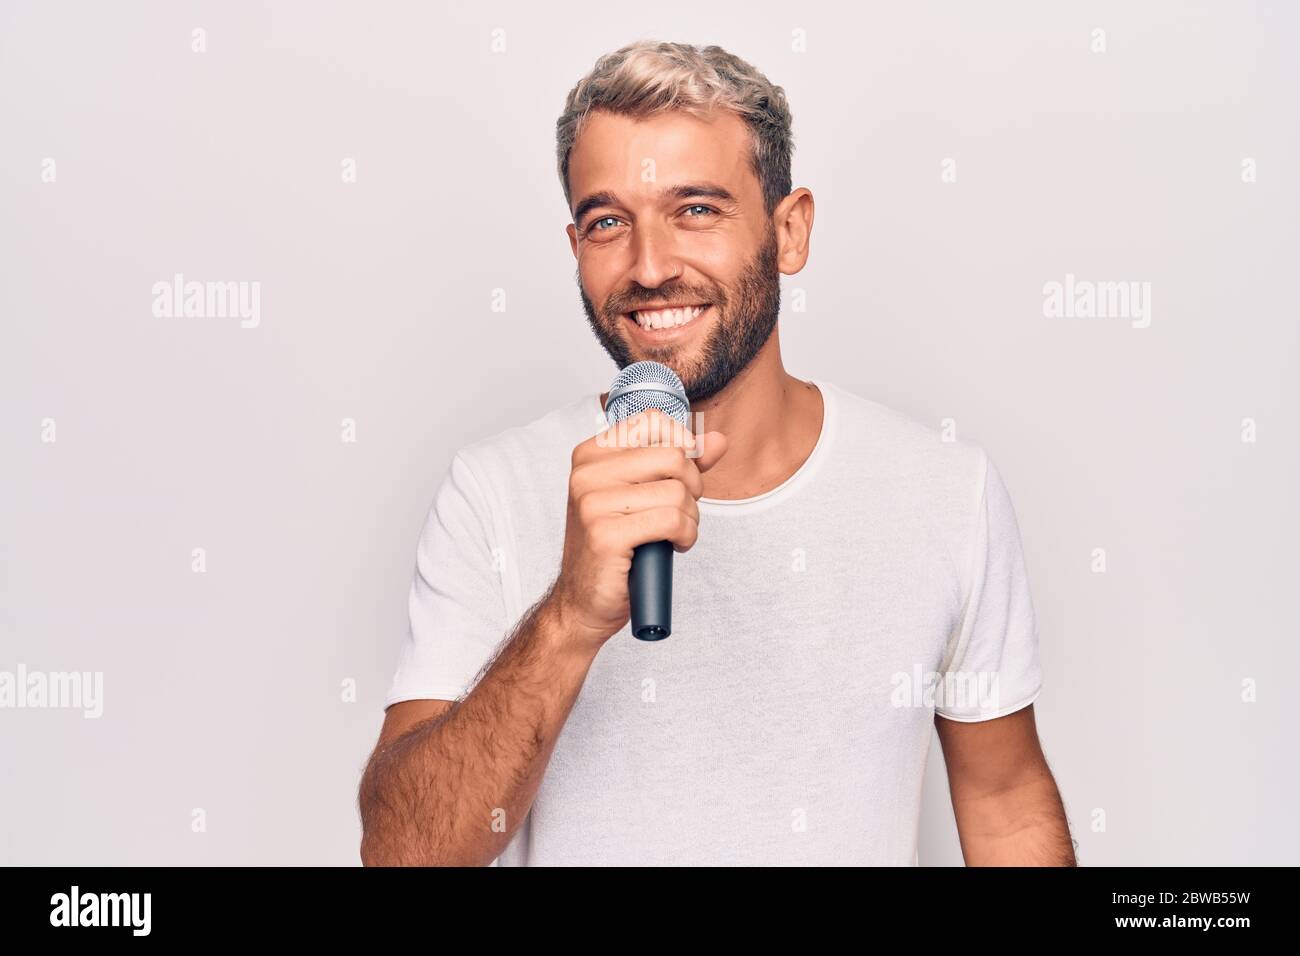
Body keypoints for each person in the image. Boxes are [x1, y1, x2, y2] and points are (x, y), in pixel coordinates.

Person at [358, 40, 1075, 866]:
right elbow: (404, 854)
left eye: (696, 209)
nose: (651, 266)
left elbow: (1003, 798)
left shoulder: (946, 491)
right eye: (607, 222)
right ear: (576, 248)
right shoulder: (492, 491)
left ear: (789, 231)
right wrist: (567, 619)